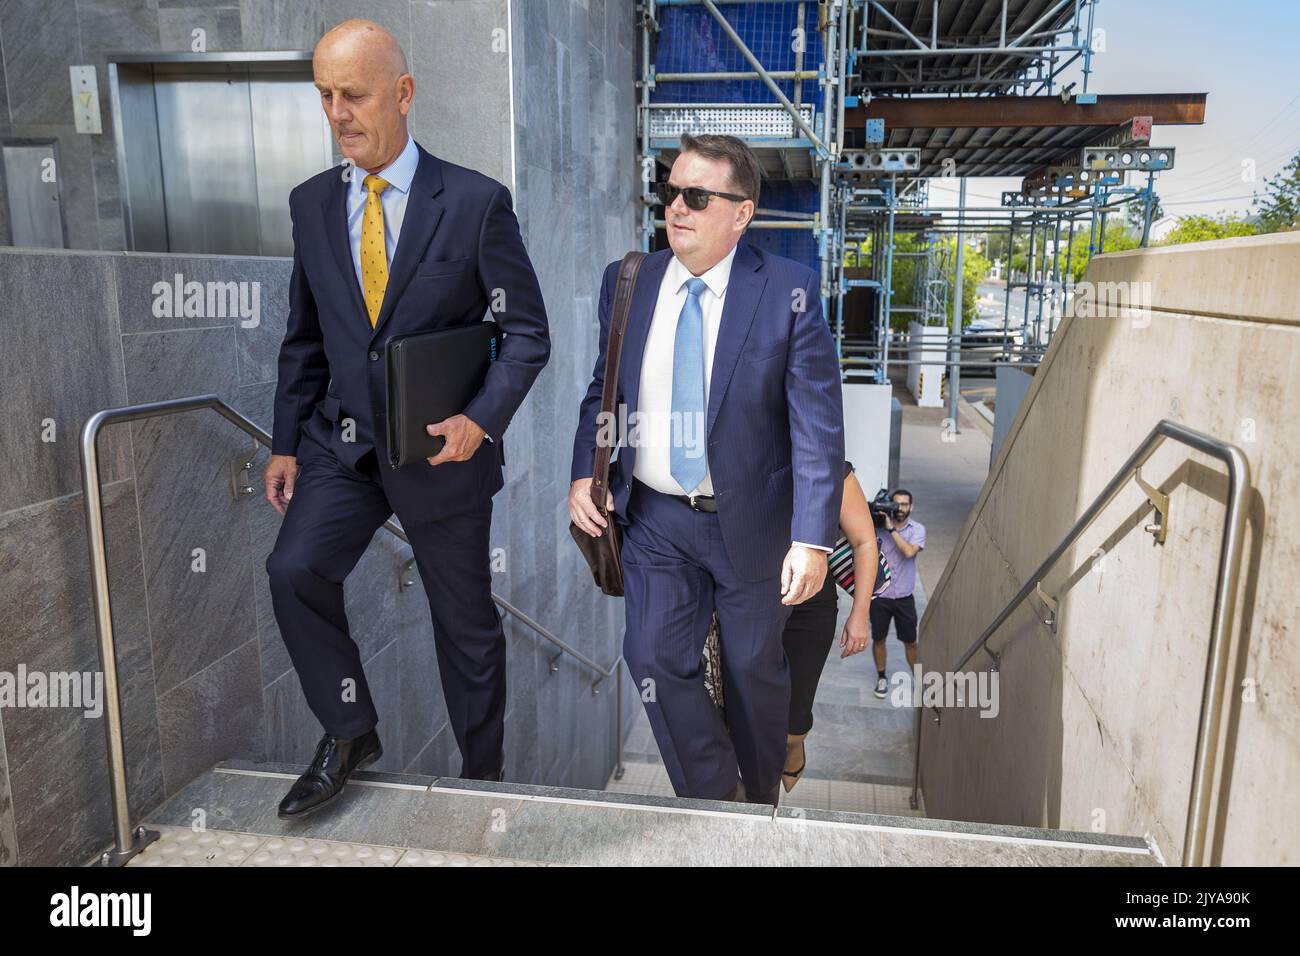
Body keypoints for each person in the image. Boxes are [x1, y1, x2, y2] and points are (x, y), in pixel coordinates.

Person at [261, 20, 550, 819]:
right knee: (293, 572)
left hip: (442, 453)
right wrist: (287, 443)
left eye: (352, 94)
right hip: (341, 447)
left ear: (403, 93)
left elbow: (527, 333)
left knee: (464, 626)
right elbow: (305, 336)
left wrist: (480, 421)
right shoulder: (311, 204)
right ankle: (350, 728)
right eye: (324, 95)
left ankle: (481, 779)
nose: (337, 112)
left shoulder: (477, 203)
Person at [569, 133, 845, 807]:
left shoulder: (791, 292)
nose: (678, 208)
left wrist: (811, 539)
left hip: (752, 524)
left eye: (697, 196)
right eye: (671, 193)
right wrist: (586, 471)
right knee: (653, 657)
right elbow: (606, 389)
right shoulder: (628, 281)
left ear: (741, 213)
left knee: (754, 671)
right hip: (657, 520)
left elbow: (817, 427)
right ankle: (721, 804)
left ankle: (759, 800)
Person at [700, 461, 888, 792]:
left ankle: (793, 744)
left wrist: (860, 616)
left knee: (795, 712)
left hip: (810, 609)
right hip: (744, 598)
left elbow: (865, 543)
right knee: (743, 702)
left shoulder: (831, 471)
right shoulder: (736, 458)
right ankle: (753, 783)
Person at [870, 489, 925, 698]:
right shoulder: (878, 528)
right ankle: (881, 677)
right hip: (881, 597)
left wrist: (891, 529)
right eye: (896, 504)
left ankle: (918, 681)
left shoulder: (917, 529)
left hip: (904, 598)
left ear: (911, 507)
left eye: (904, 504)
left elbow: (909, 552)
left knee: (911, 641)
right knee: (879, 639)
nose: (900, 509)